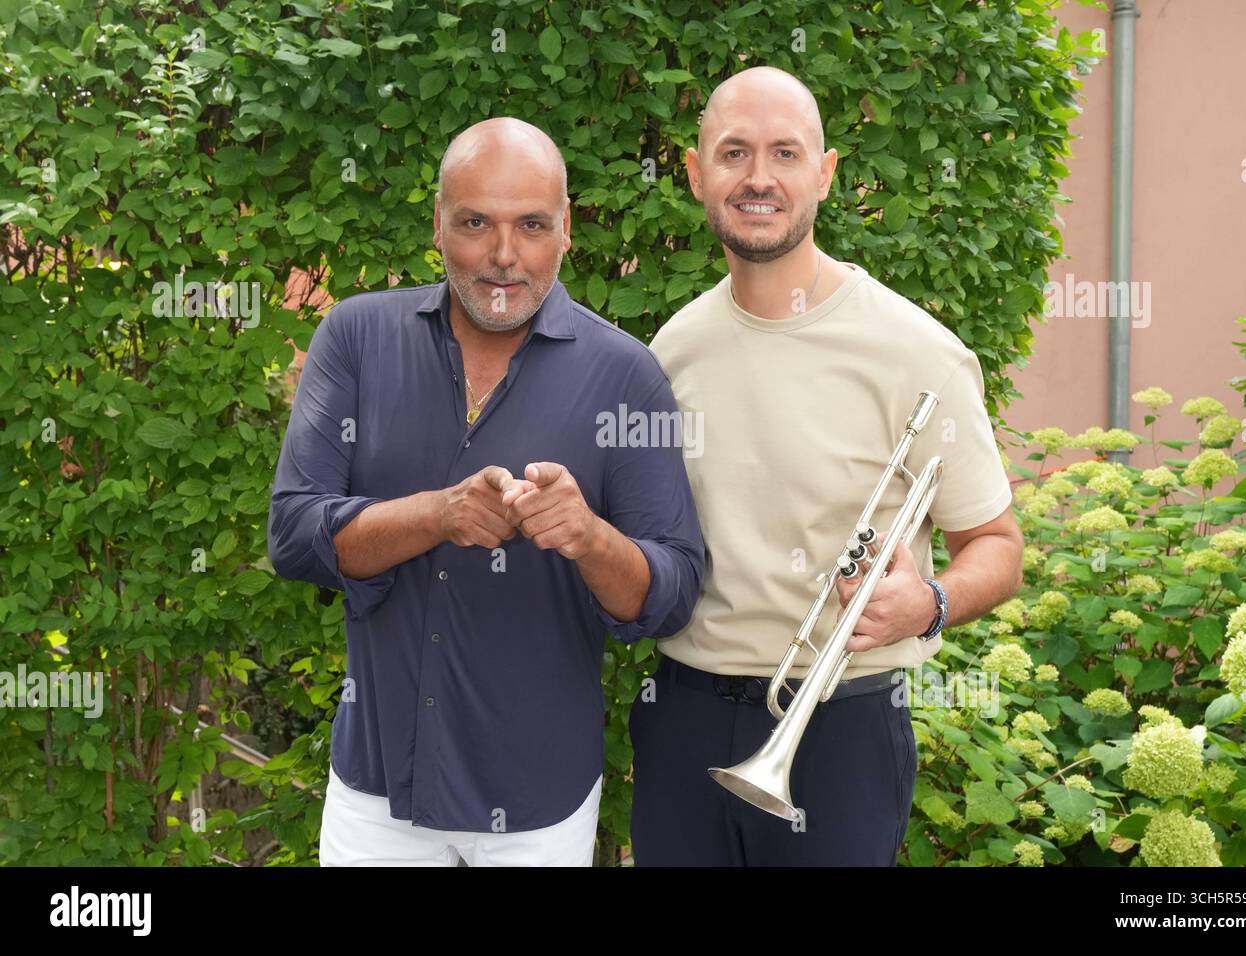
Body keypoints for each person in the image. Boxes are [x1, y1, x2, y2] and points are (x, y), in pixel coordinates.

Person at [268, 117, 704, 866]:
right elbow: (294, 536)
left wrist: (590, 538)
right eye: (476, 224)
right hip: (378, 792)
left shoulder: (626, 376)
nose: (504, 256)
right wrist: (437, 514)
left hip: (540, 806)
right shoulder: (357, 339)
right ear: (438, 226)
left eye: (531, 225)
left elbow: (671, 594)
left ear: (566, 230)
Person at [634, 67, 1024, 866]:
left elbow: (998, 544)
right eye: (734, 152)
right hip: (683, 713)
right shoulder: (670, 351)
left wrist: (931, 601)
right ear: (695, 171)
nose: (759, 178)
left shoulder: (919, 352)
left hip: (842, 728)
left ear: (825, 172)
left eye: (785, 153)